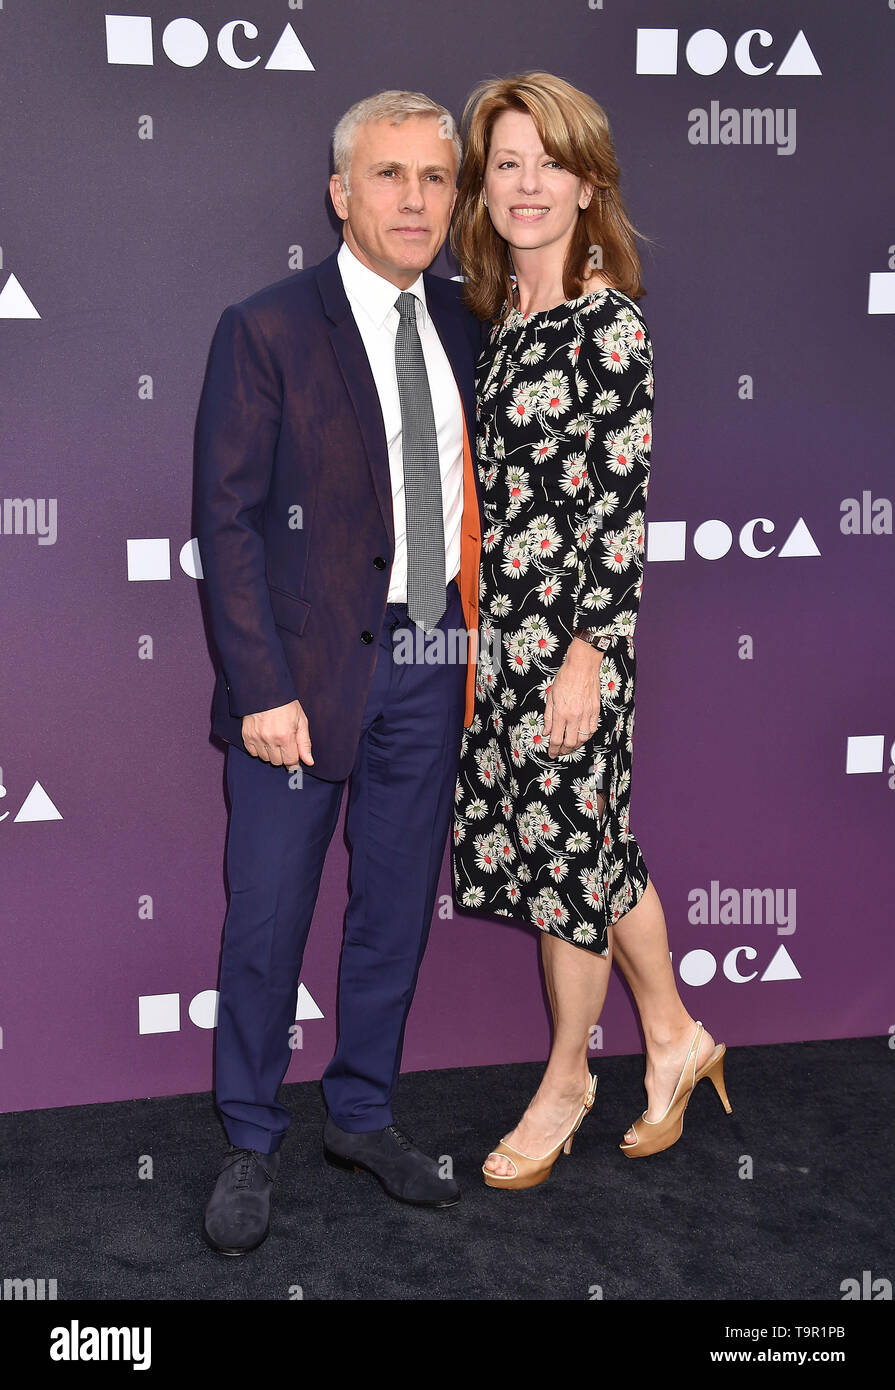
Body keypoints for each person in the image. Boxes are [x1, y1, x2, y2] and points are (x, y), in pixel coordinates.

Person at [194, 89, 484, 1253]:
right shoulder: (265, 326)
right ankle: (249, 1137)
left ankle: (361, 1113)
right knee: (267, 920)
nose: (415, 200)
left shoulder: (472, 323)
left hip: (432, 657)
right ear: (340, 192)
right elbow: (226, 523)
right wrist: (262, 689)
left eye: (434, 179)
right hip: (299, 685)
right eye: (390, 176)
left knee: (394, 910)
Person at [449, 72, 731, 1190]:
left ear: (586, 182)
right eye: (507, 163)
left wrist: (585, 656)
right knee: (589, 849)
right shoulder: (507, 315)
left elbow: (618, 513)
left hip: (569, 646)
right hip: (498, 644)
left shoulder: (607, 324)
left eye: (548, 164)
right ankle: (672, 1037)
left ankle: (567, 1077)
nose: (526, 185)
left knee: (569, 863)